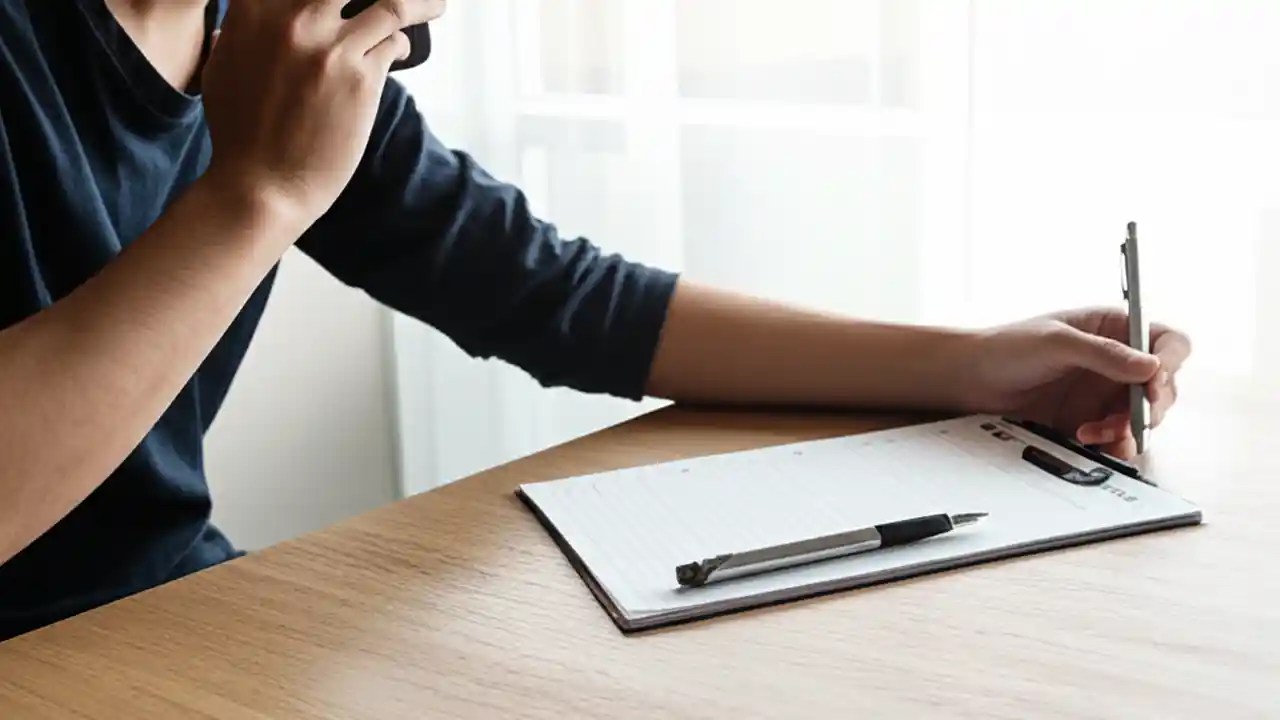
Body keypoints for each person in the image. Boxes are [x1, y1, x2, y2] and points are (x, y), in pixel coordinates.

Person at [0, 0, 1190, 642]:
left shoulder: (263, 38)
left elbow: (559, 297)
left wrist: (978, 368)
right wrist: (256, 194)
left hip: (175, 617)